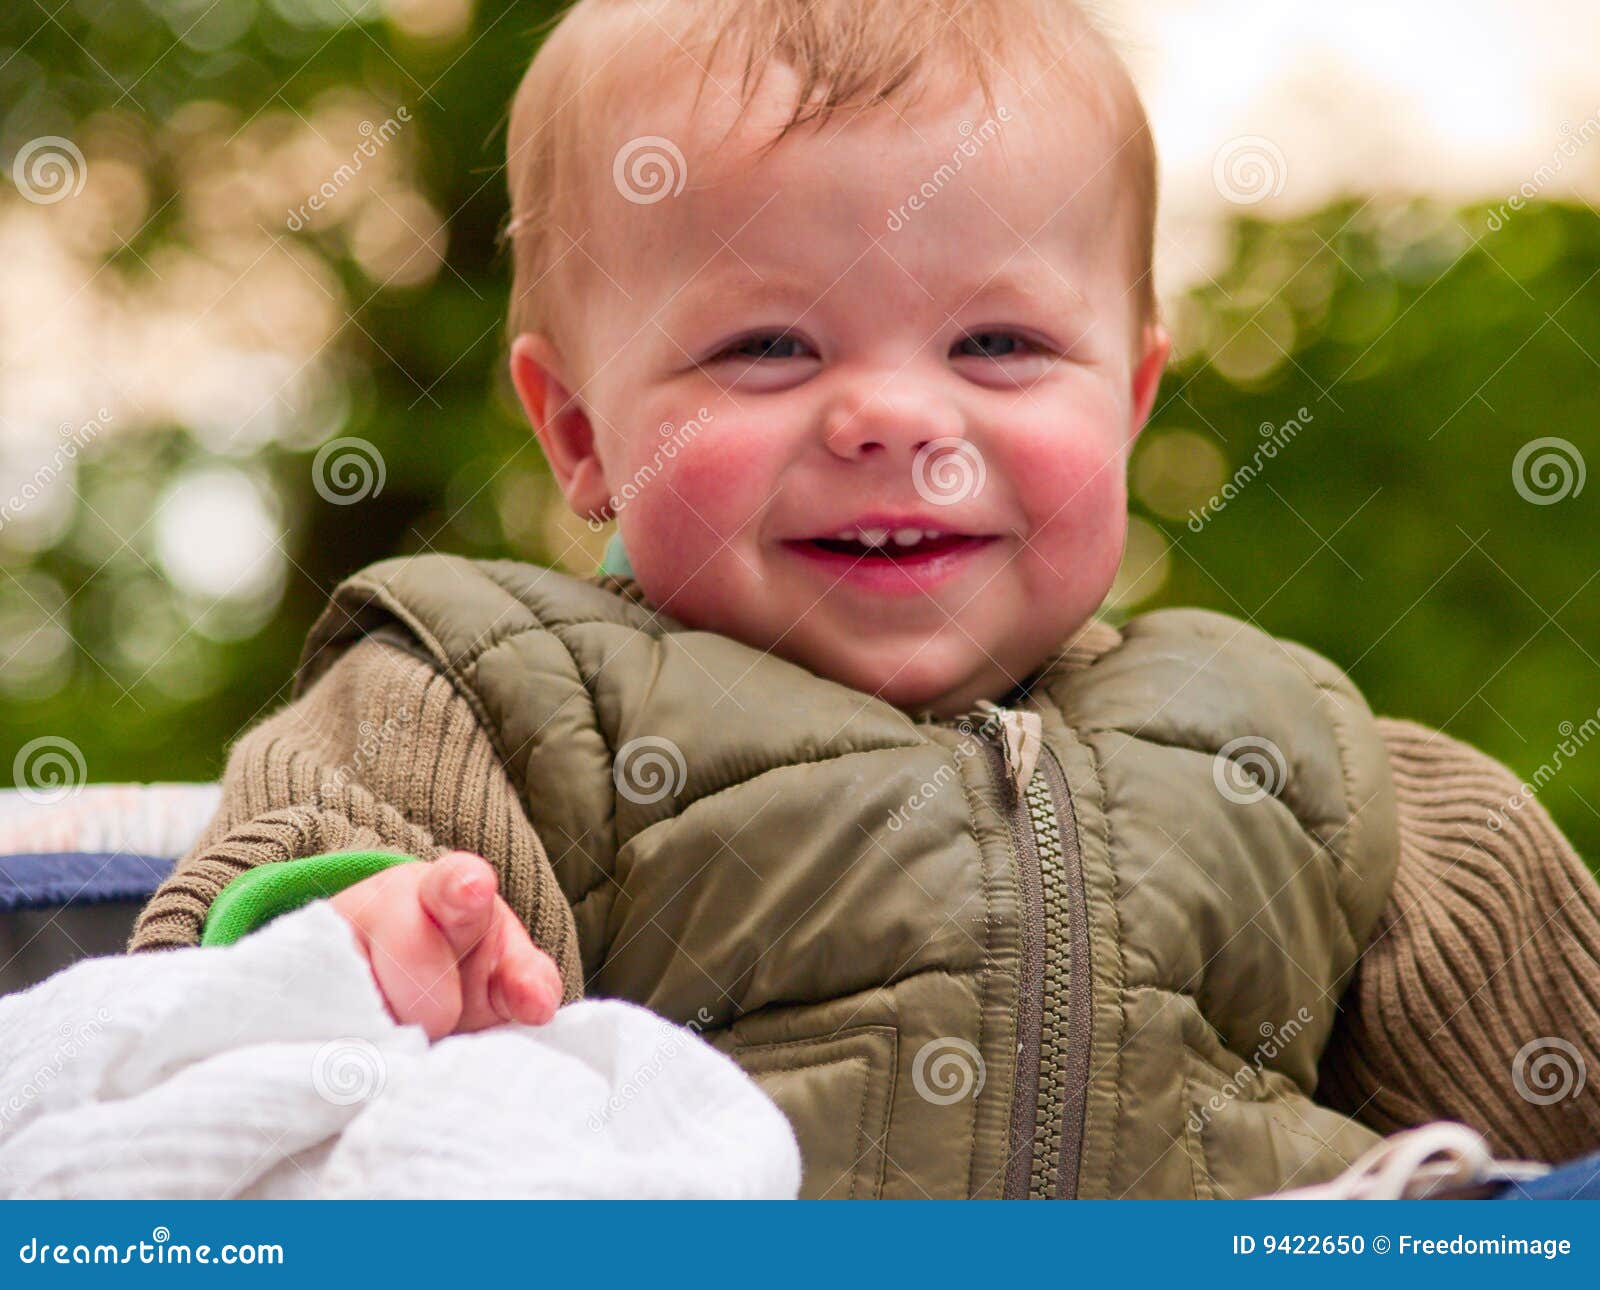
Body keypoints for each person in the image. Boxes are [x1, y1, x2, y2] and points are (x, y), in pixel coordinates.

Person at [131, 0, 1600, 1198]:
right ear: (578, 430)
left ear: (1132, 399)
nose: (895, 418)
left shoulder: (1325, 767)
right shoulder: (496, 701)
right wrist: (348, 942)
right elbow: (199, 1021)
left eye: (1002, 343)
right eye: (769, 344)